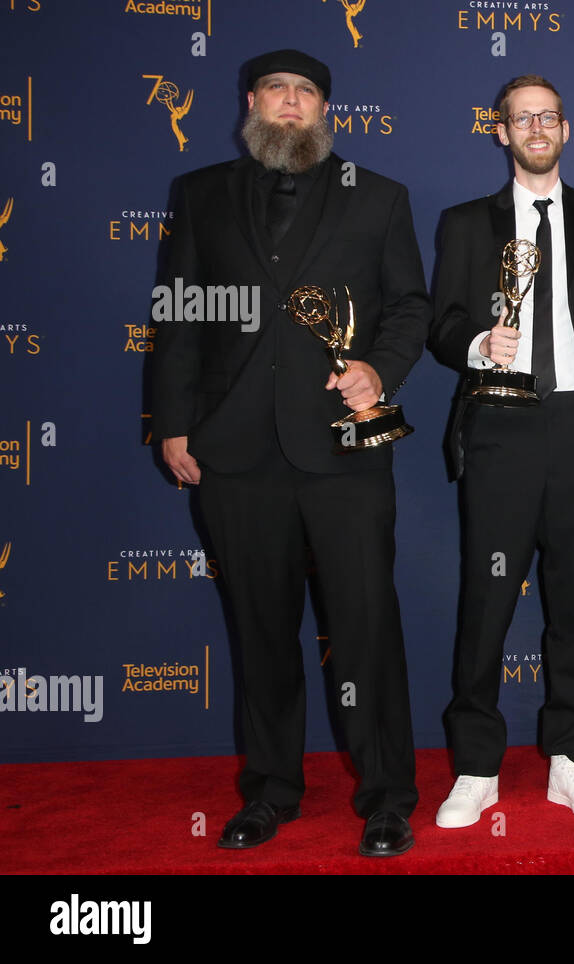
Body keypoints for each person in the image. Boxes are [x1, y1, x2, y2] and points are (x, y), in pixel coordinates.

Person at [153, 49, 429, 856]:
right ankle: (270, 792)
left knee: (366, 626)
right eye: (276, 89)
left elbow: (409, 306)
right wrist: (173, 420)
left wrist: (380, 366)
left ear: (324, 110)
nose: (290, 102)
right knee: (260, 629)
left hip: (343, 449)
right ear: (252, 102)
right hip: (234, 451)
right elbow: (178, 314)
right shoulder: (201, 194)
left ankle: (387, 796)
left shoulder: (378, 197)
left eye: (306, 92)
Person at [428, 75, 574, 829]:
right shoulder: (465, 222)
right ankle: (477, 765)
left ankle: (570, 759)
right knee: (486, 602)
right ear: (500, 132)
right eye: (523, 118)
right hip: (500, 424)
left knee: (572, 603)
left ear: (566, 129)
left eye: (548, 116)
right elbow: (441, 322)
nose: (537, 128)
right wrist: (481, 343)